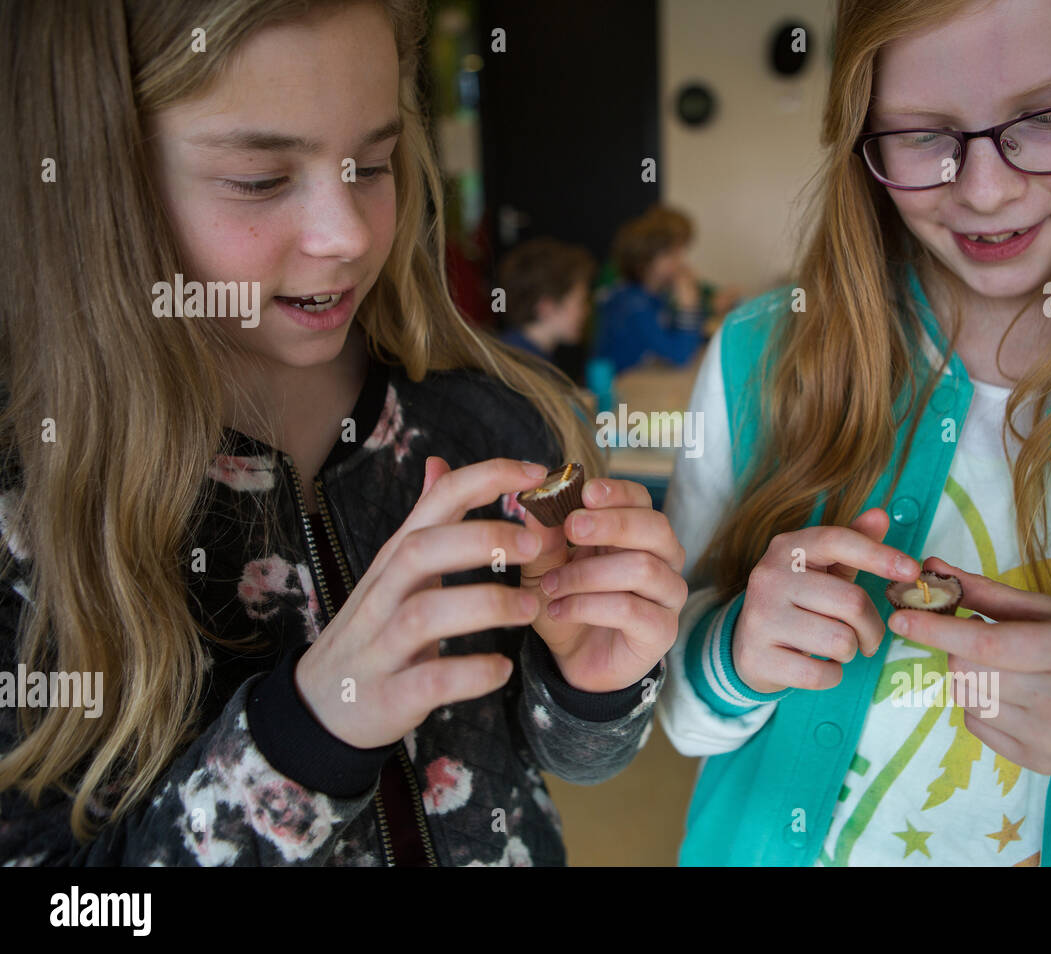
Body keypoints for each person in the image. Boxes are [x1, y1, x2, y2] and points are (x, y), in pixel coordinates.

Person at [0, 0, 687, 866]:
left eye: (374, 163)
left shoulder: (494, 416)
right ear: (105, 183)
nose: (347, 234)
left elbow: (572, 757)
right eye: (259, 178)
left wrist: (594, 687)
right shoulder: (28, 515)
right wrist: (307, 736)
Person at [658, 0, 1051, 866]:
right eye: (921, 134)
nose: (986, 190)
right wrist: (732, 651)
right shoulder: (757, 355)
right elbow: (681, 709)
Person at [594, 205, 728, 373]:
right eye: (671, 255)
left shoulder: (654, 297)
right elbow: (680, 356)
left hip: (639, 383)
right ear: (645, 260)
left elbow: (684, 340)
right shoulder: (633, 304)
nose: (680, 262)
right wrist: (688, 306)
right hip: (619, 394)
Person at [496, 238, 596, 365]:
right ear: (546, 307)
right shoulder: (529, 367)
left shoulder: (509, 351)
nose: (587, 310)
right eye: (580, 302)